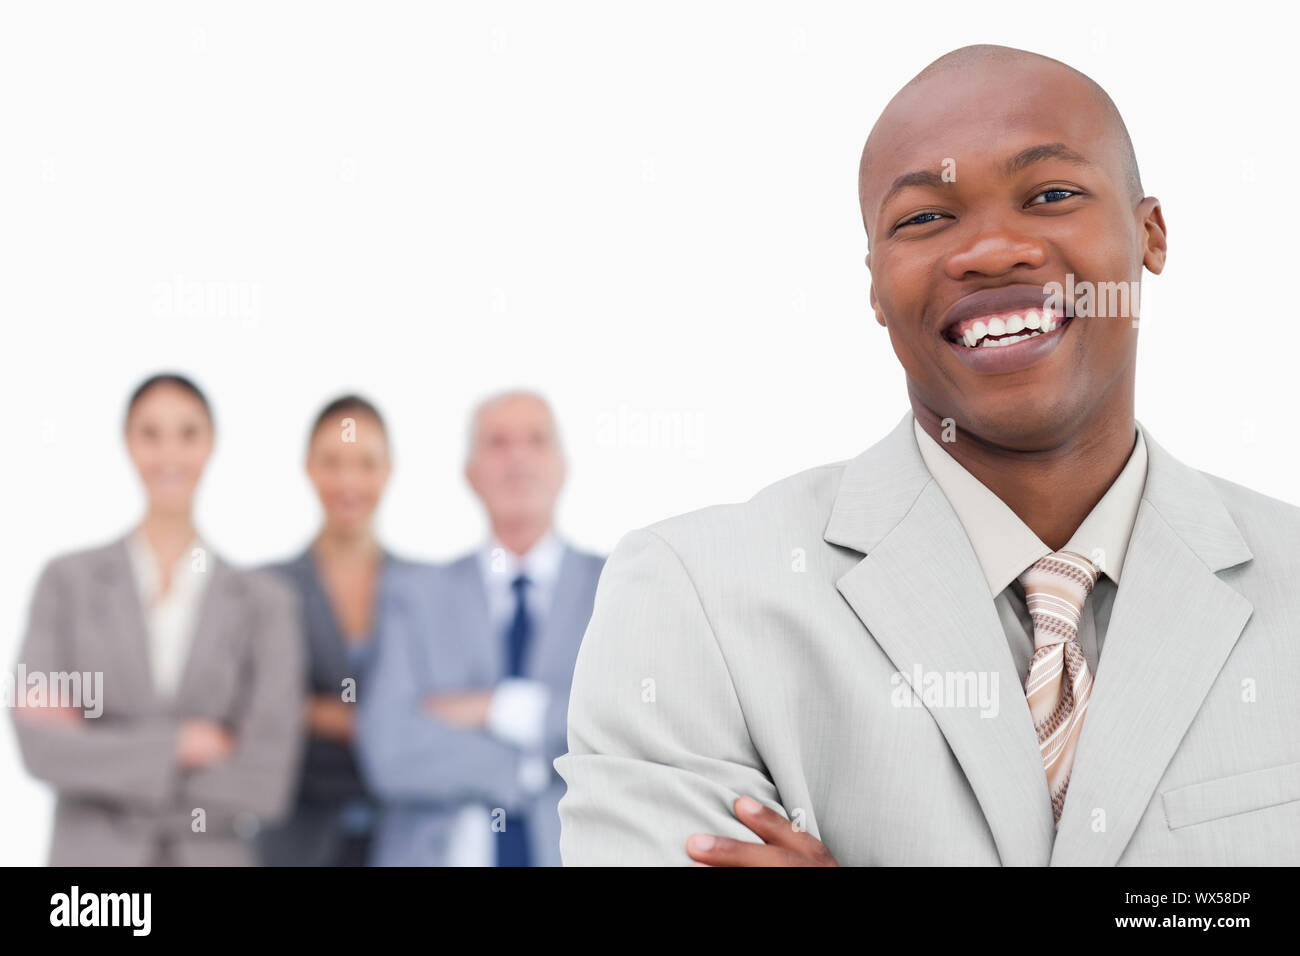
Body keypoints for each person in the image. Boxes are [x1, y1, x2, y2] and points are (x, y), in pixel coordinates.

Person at [555, 45, 1300, 866]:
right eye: (924, 218)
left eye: (1050, 194)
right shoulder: (693, 596)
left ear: (1149, 234)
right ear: (875, 284)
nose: (989, 250)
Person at [12, 373, 305, 866]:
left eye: (187, 433)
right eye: (151, 433)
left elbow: (266, 781)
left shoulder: (265, 603)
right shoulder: (67, 583)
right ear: (128, 443)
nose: (169, 452)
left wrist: (102, 762)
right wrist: (181, 744)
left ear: (210, 444)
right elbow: (41, 748)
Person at [358, 390, 605, 866]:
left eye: (536, 440)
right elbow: (388, 751)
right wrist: (530, 767)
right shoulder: (413, 594)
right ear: (470, 473)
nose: (517, 457)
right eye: (497, 442)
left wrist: (500, 708)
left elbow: (628, 729)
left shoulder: (616, 589)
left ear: (562, 465)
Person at [257, 394, 421, 866]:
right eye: (332, 462)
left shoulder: (423, 590)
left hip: (405, 838)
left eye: (365, 463)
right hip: (295, 840)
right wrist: (391, 720)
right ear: (309, 467)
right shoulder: (268, 589)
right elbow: (258, 709)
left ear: (387, 470)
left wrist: (318, 711)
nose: (348, 481)